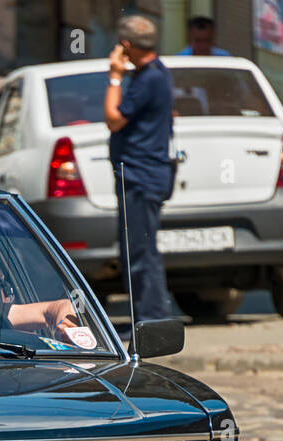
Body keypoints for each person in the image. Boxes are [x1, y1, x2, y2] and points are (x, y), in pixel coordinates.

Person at [104, 13, 173, 326]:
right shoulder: (154, 74)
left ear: (126, 45)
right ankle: (146, 319)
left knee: (141, 253)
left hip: (141, 176)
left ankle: (152, 321)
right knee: (137, 251)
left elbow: (113, 117)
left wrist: (115, 75)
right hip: (141, 174)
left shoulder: (150, 78)